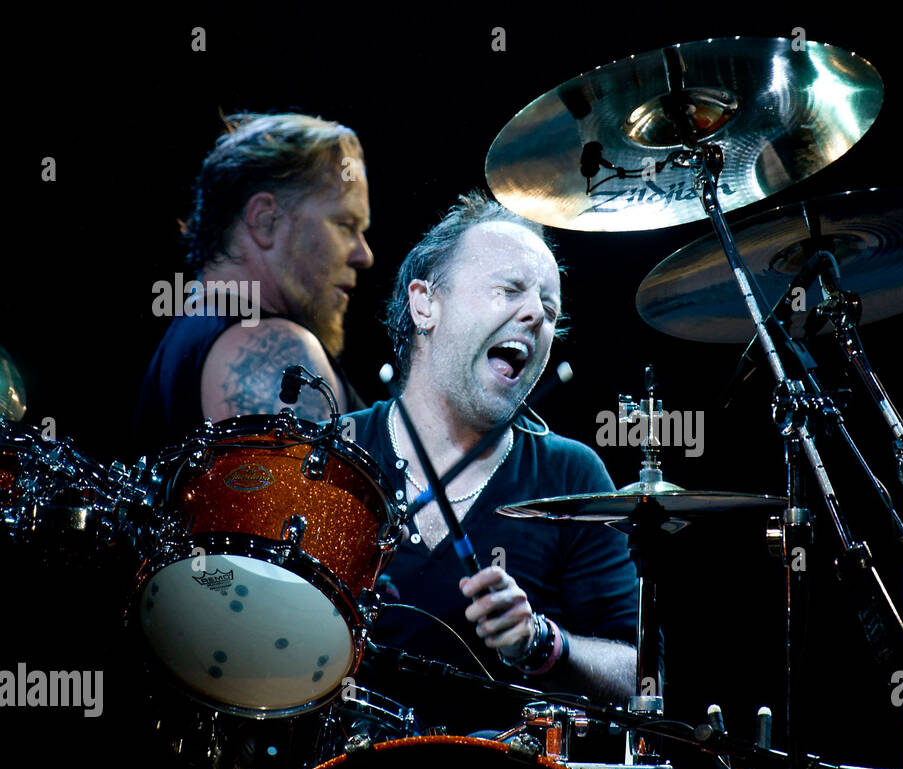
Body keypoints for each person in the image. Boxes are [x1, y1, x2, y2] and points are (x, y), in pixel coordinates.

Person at [344, 193, 638, 731]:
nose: (534, 316)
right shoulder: (334, 456)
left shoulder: (571, 476)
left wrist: (542, 643)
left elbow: (640, 678)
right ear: (424, 304)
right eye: (508, 290)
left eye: (549, 311)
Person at [135, 112, 374, 452]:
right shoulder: (273, 349)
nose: (364, 255)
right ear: (265, 220)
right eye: (345, 224)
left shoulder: (190, 337)